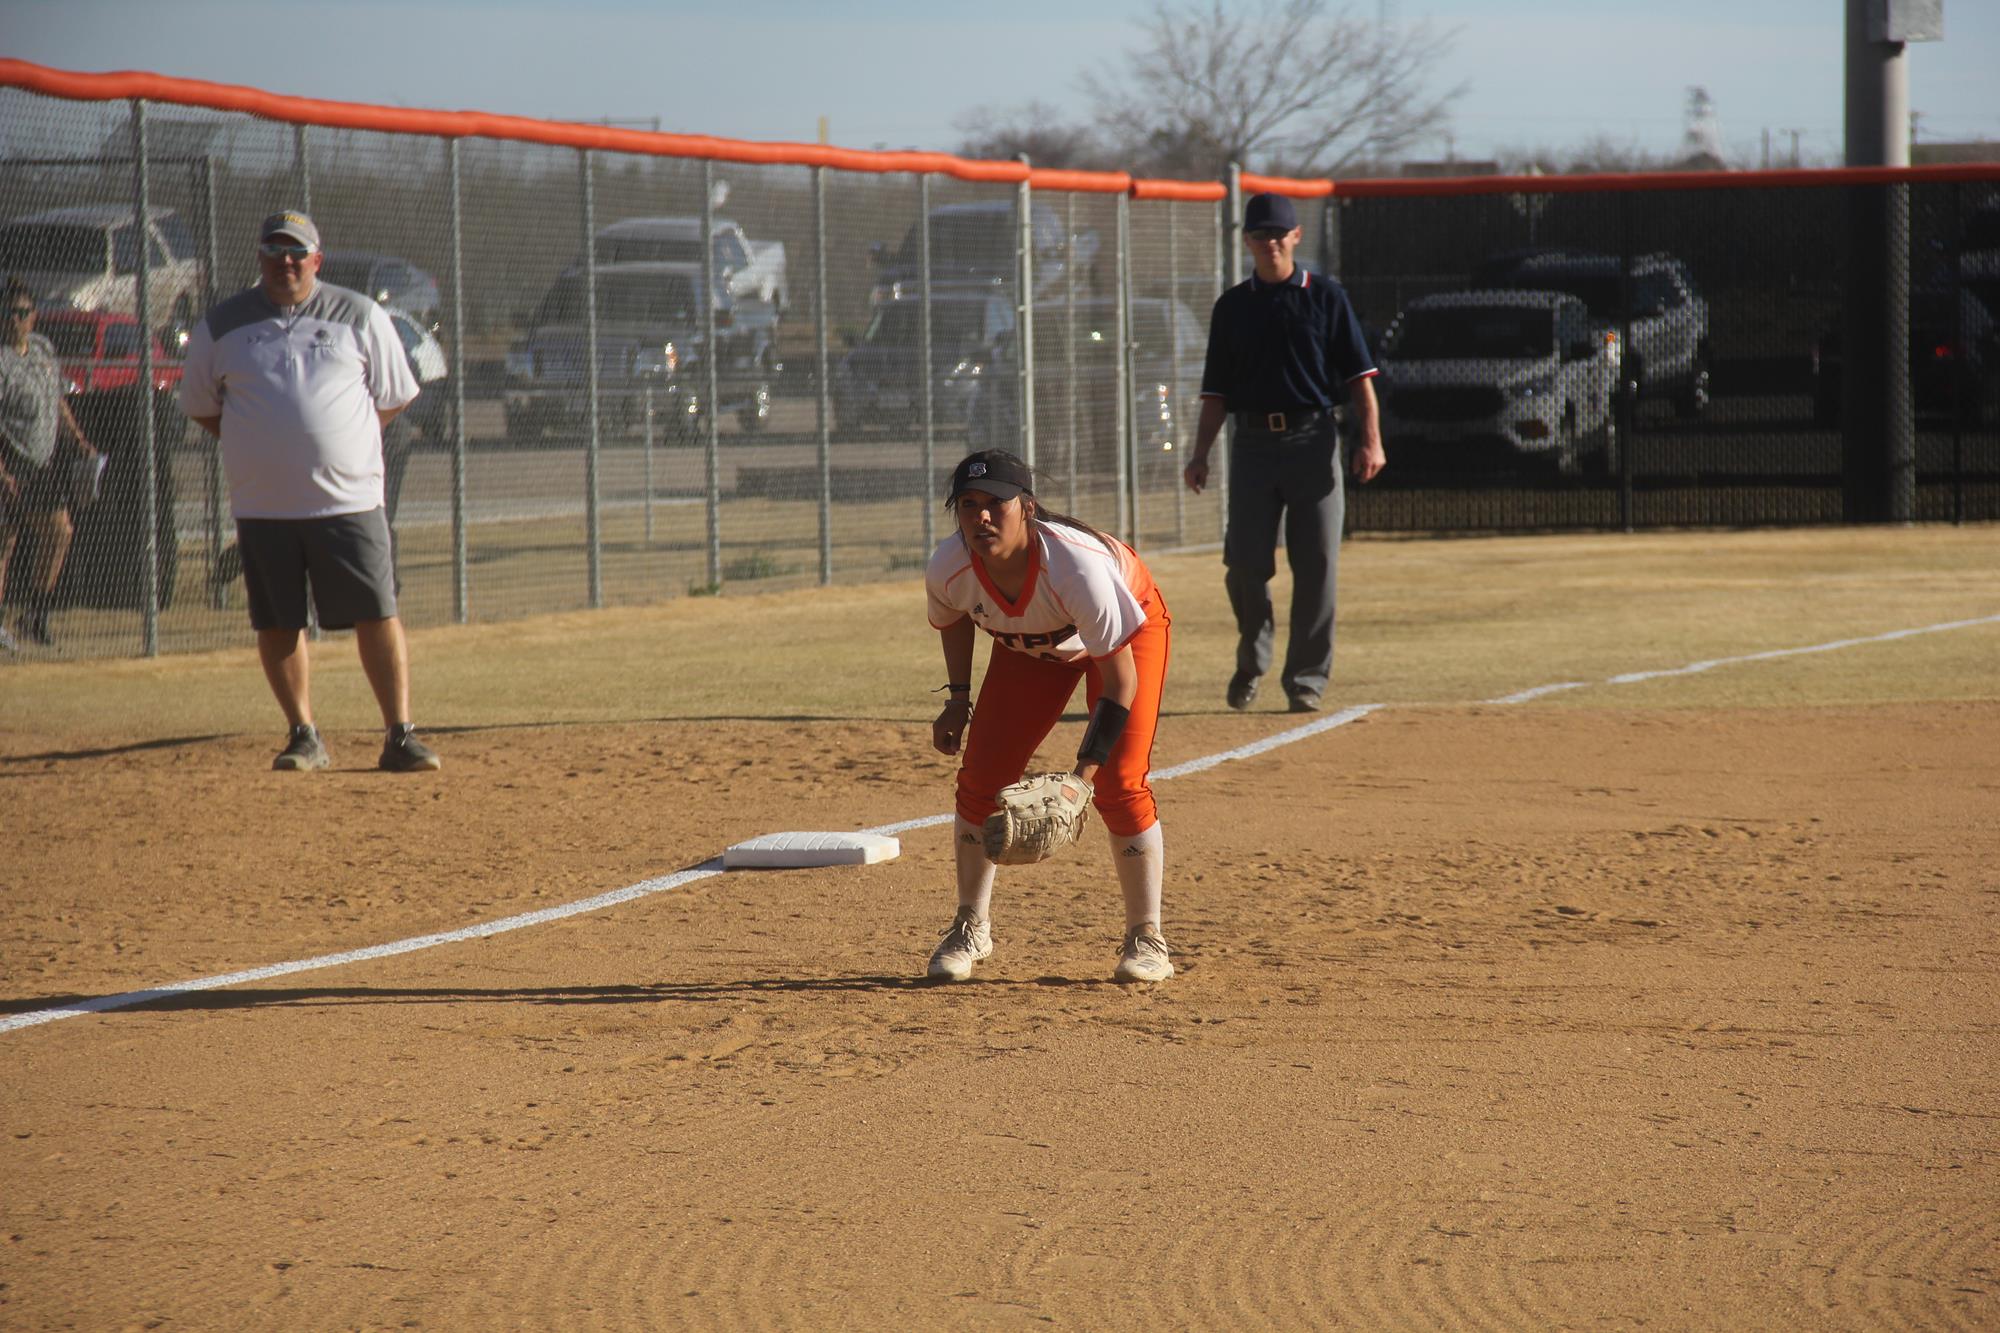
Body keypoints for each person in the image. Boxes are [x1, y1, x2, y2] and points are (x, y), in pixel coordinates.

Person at [177, 210, 440, 773]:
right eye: (275, 252)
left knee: (377, 610)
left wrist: (341, 441)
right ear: (260, 260)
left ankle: (400, 733)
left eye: (297, 252)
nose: (286, 262)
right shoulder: (221, 326)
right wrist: (265, 444)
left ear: (318, 260)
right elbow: (202, 407)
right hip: (265, 505)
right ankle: (303, 734)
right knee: (277, 621)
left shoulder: (361, 315)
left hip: (348, 501)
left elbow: (393, 396)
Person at [924, 449, 1175, 984]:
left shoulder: (1077, 567)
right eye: (968, 505)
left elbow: (1121, 680)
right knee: (981, 777)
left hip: (1125, 637)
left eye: (996, 503)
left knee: (1119, 781)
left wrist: (1080, 780)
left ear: (1028, 508)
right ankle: (970, 926)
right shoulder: (950, 566)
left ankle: (1147, 937)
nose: (980, 517)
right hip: (1031, 648)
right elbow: (953, 619)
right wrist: (957, 699)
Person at [1182, 192, 1386, 714]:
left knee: (1317, 563)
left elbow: (1360, 380)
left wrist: (1371, 440)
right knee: (1245, 564)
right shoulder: (1232, 307)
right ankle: (1252, 658)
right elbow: (1215, 394)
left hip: (1312, 440)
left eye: (1280, 233)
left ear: (1296, 236)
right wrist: (1199, 452)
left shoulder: (1327, 297)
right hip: (1251, 443)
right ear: (1247, 241)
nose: (1270, 242)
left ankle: (1306, 680)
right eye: (1260, 234)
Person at [0, 280, 99, 652]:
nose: (14, 319)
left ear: (33, 317)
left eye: (22, 312)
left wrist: (78, 439)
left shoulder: (42, 350)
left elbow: (56, 399)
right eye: (8, 312)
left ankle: (35, 615)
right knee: (4, 541)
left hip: (42, 460)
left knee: (60, 532)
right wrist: (2, 472)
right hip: (11, 458)